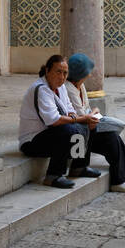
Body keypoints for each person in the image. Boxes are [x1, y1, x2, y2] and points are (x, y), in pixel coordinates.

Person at [63, 52, 125, 194]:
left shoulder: (80, 86)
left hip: (86, 129)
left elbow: (85, 111)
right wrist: (93, 112)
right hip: (78, 137)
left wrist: (92, 112)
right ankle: (124, 180)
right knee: (111, 138)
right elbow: (81, 116)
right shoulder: (68, 89)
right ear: (82, 73)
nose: (90, 74)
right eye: (88, 72)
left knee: (113, 138)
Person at [18, 55, 88, 189]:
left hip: (50, 135)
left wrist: (78, 119)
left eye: (65, 73)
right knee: (68, 130)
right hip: (31, 142)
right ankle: (53, 176)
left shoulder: (61, 87)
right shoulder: (40, 89)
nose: (61, 77)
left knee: (84, 126)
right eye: (58, 71)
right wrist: (77, 119)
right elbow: (53, 120)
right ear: (47, 71)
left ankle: (79, 167)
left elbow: (69, 109)